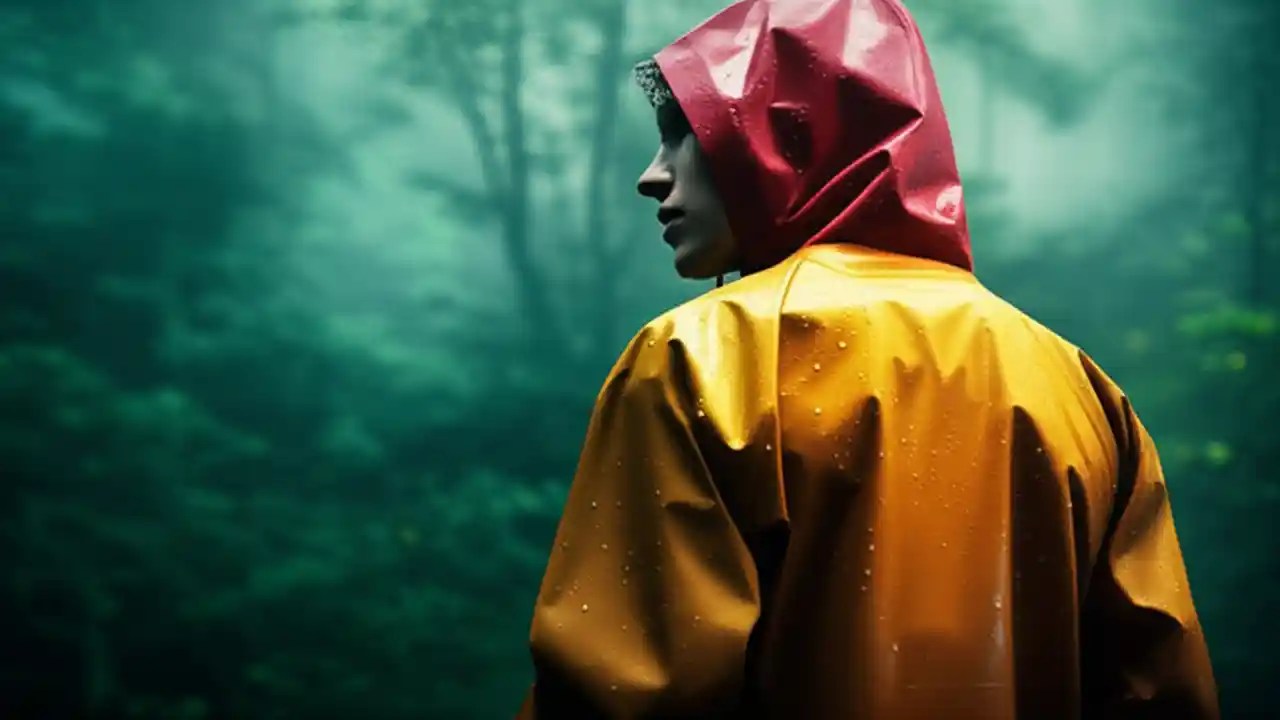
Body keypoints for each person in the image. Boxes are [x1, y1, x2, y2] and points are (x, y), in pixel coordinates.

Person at [516, 0, 1219, 717]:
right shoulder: (1079, 386)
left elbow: (625, 694)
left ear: (787, 134)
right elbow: (1159, 690)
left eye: (684, 134)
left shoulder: (699, 357)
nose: (652, 175)